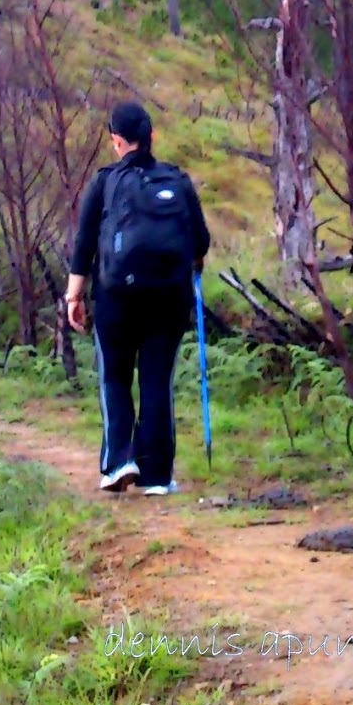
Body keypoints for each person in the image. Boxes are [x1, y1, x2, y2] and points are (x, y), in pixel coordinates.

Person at [65, 102, 210, 495]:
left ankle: (118, 462)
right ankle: (158, 476)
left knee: (114, 375)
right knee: (155, 380)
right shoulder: (178, 181)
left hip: (117, 297)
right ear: (152, 136)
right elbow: (201, 243)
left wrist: (73, 295)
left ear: (116, 141)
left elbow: (84, 244)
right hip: (169, 296)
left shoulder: (105, 181)